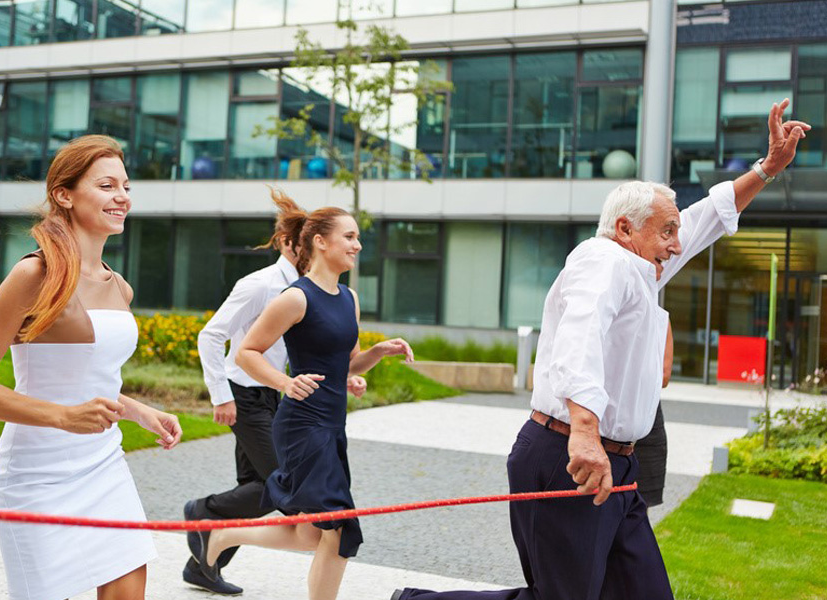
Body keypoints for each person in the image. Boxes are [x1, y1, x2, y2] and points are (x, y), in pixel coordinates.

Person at [392, 99, 808, 600]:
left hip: (620, 467)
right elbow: (579, 338)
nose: (677, 245)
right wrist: (586, 433)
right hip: (570, 456)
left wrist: (766, 169)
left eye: (675, 232)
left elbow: (704, 220)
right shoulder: (603, 259)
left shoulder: (642, 267)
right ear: (625, 229)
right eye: (666, 232)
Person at [0, 135, 183, 600]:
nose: (122, 197)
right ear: (64, 194)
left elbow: (89, 380)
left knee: (127, 588)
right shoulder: (33, 275)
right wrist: (62, 418)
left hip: (104, 464)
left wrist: (139, 411)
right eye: (107, 185)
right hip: (37, 475)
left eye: (126, 186)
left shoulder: (121, 288)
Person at [192, 198, 414, 600]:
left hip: (333, 426)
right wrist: (284, 382)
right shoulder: (295, 297)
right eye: (349, 236)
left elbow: (348, 363)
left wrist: (378, 353)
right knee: (343, 529)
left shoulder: (349, 298)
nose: (357, 245)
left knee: (312, 534)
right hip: (302, 425)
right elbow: (246, 352)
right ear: (320, 242)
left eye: (358, 237)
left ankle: (223, 534)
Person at [634, 322, 673, 507]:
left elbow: (664, 376)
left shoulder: (659, 318)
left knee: (641, 499)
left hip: (646, 413)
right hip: (608, 417)